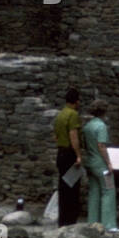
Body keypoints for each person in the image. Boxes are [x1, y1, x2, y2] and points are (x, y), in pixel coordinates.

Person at [81, 100, 119, 230]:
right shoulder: (101, 126)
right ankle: (108, 224)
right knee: (109, 190)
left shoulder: (87, 126)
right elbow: (101, 145)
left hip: (90, 162)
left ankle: (92, 222)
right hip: (101, 163)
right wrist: (109, 162)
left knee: (94, 191)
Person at [53, 88, 83, 226]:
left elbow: (56, 136)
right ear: (76, 101)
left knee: (63, 188)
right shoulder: (73, 115)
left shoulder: (60, 115)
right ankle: (70, 221)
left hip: (60, 152)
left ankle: (62, 220)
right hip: (69, 153)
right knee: (72, 189)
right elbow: (73, 136)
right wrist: (78, 155)